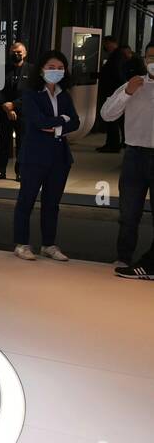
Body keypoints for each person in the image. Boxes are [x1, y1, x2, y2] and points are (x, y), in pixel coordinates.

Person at [12, 51, 79, 261]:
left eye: (60, 67)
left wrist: (57, 126)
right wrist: (62, 120)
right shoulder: (31, 94)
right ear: (41, 70)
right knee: (27, 200)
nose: (56, 71)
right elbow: (39, 122)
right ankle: (21, 243)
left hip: (59, 157)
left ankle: (49, 244)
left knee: (52, 203)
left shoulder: (64, 94)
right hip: (34, 156)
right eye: (51, 67)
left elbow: (75, 122)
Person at [100, 43, 154, 279]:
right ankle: (124, 256)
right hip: (134, 155)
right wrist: (127, 92)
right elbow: (107, 114)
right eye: (151, 56)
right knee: (129, 213)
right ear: (144, 58)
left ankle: (150, 264)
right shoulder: (133, 84)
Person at [0, 40, 32, 180]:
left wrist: (14, 105)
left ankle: (20, 172)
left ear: (24, 54)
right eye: (14, 52)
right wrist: (7, 108)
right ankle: (1, 171)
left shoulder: (32, 70)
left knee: (21, 143)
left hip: (23, 113)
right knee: (4, 144)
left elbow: (31, 94)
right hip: (4, 113)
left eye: (19, 52)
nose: (16, 54)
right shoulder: (2, 70)